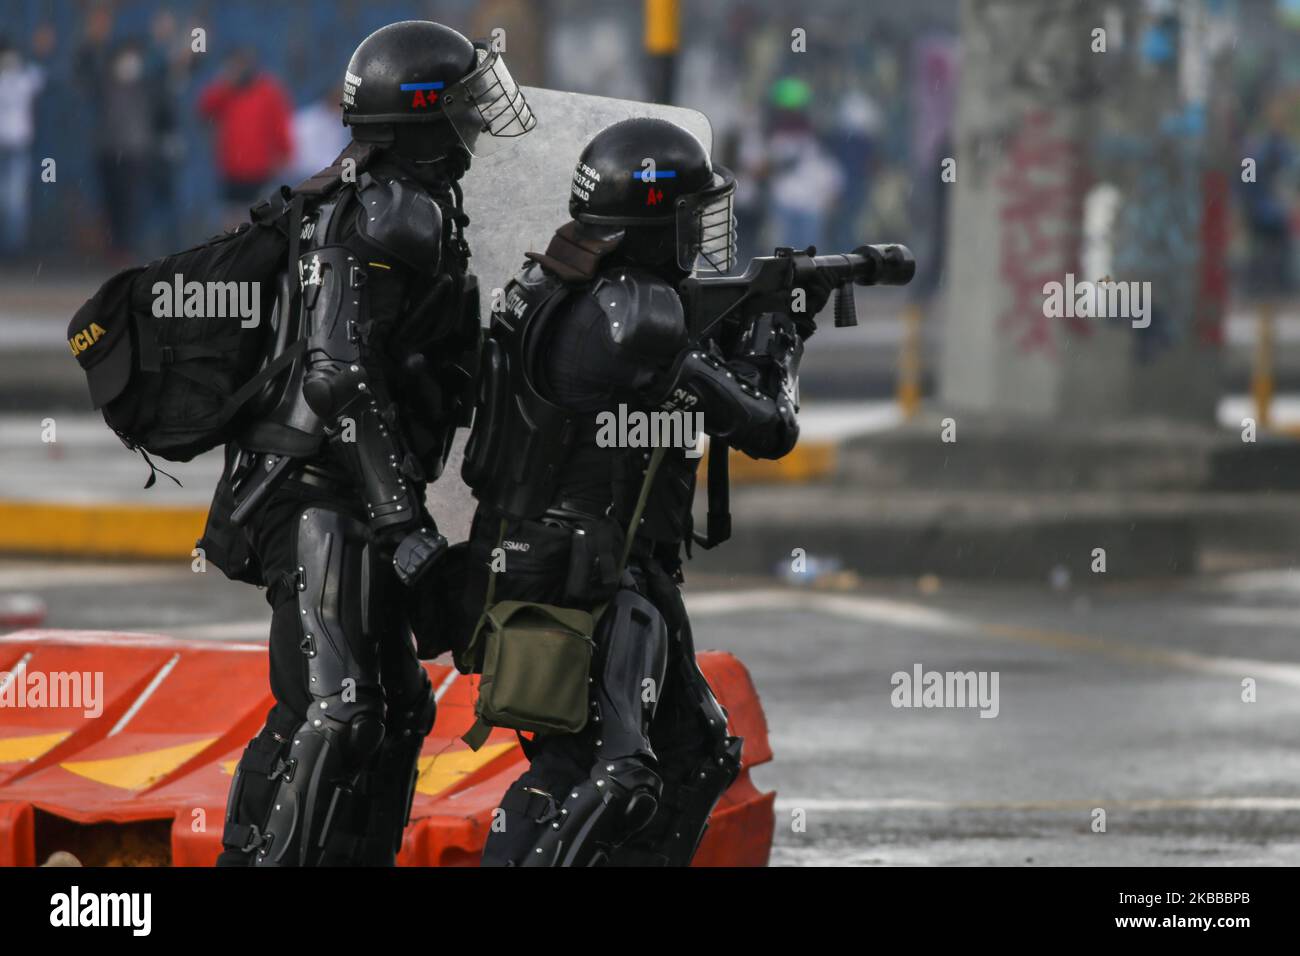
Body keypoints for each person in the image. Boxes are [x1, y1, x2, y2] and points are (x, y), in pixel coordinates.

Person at [205, 20, 534, 867]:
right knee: (337, 708)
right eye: (458, 108)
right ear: (420, 117)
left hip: (346, 484)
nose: (471, 127)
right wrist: (400, 519)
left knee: (397, 708)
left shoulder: (391, 198)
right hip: (318, 489)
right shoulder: (386, 211)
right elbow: (338, 374)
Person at [460, 118, 810, 866]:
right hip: (589, 576)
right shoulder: (638, 317)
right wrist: (779, 345)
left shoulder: (553, 281)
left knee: (697, 754)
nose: (698, 233)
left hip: (559, 557)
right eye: (688, 217)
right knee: (613, 772)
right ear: (650, 221)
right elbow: (766, 427)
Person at [197, 48, 293, 229]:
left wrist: (284, 153)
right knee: (231, 221)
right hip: (231, 169)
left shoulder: (268, 91)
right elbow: (205, 107)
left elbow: (280, 124)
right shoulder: (226, 91)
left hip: (260, 169)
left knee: (259, 219)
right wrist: (224, 82)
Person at [0, 33, 47, 256]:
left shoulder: (24, 77)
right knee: (9, 198)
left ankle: (13, 249)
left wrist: (39, 49)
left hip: (18, 145)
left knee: (15, 199)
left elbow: (42, 73)